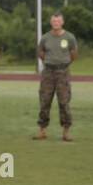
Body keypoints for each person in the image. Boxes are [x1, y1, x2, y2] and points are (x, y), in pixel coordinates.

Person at [34, 12, 76, 140]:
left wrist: (64, 63)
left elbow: (73, 53)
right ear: (51, 22)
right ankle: (42, 130)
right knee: (45, 101)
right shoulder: (46, 38)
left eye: (58, 21)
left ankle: (66, 131)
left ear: (62, 22)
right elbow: (40, 52)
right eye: (53, 21)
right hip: (48, 72)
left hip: (63, 72)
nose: (56, 23)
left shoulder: (69, 37)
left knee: (64, 102)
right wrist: (49, 61)